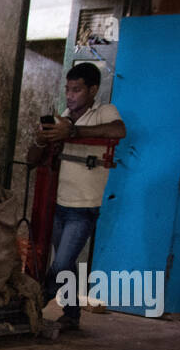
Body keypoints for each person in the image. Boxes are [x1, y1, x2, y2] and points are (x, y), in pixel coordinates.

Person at [27, 62, 125, 331]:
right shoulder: (63, 116)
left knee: (59, 265)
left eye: (77, 90)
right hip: (59, 204)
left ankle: (37, 301)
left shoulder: (104, 112)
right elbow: (32, 159)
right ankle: (71, 314)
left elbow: (118, 130)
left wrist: (73, 132)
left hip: (84, 207)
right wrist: (42, 139)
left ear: (92, 90)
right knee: (66, 263)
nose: (70, 95)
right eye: (68, 89)